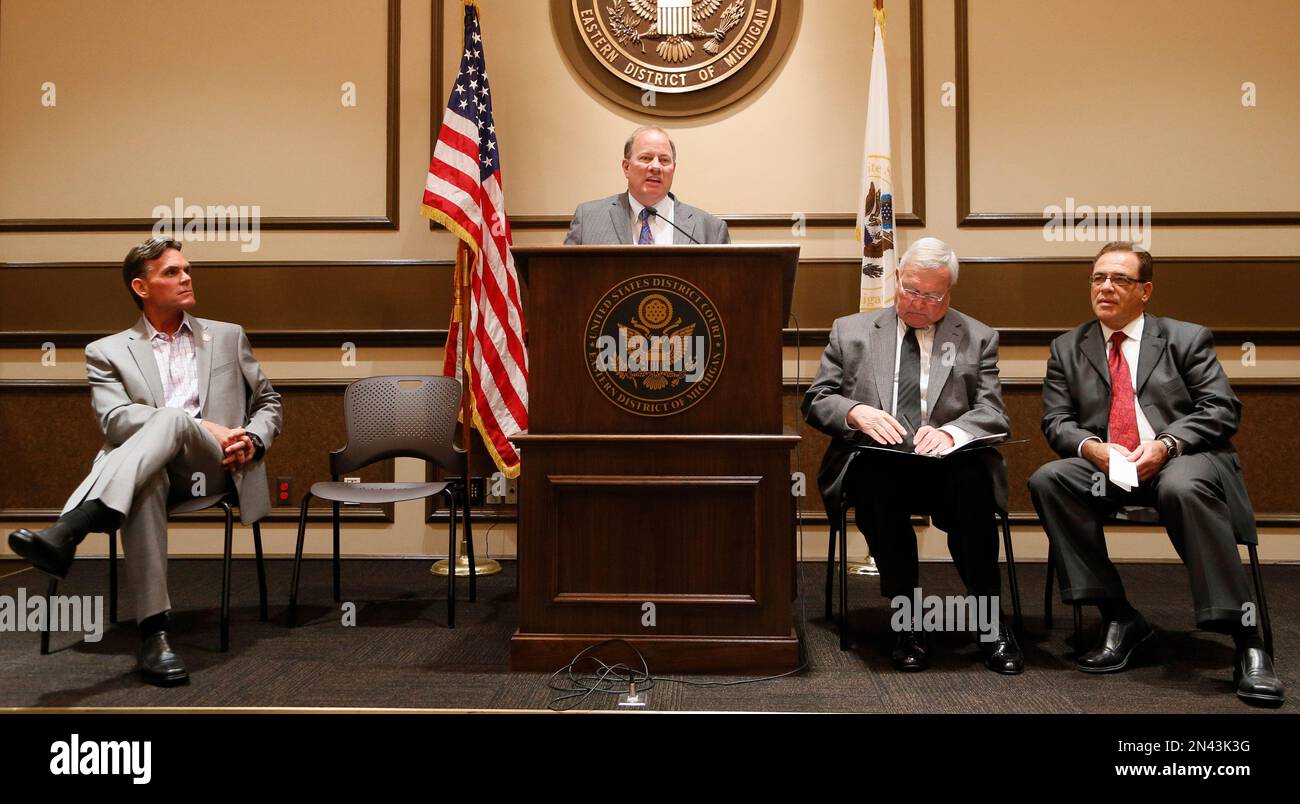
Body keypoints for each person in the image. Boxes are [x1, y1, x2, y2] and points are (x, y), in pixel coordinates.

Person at [7, 237, 282, 686]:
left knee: (171, 423)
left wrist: (251, 436)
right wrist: (183, 422)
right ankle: (155, 635)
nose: (186, 277)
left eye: (186, 269)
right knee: (145, 480)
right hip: (150, 470)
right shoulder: (107, 351)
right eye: (171, 272)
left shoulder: (227, 335)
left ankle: (72, 527)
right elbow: (115, 421)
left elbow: (269, 402)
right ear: (141, 286)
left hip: (213, 466)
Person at [1028, 241, 1282, 705]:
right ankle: (1119, 616)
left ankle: (1248, 639)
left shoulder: (1185, 338)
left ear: (1145, 291)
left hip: (1181, 459)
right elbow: (1056, 421)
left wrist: (1166, 445)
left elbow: (1221, 409)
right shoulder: (1068, 347)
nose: (1105, 287)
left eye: (1119, 279)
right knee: (1050, 479)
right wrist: (1091, 447)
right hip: (1112, 466)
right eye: (1098, 278)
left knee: (1181, 487)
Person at [803, 237, 1020, 674]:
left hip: (949, 465)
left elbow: (993, 413)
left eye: (931, 295)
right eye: (910, 289)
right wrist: (856, 412)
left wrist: (954, 432)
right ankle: (909, 619)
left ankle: (989, 621)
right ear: (898, 278)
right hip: (879, 463)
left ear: (949, 293)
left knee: (973, 486)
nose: (917, 302)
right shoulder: (852, 331)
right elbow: (816, 400)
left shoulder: (977, 337)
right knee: (877, 482)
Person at [563, 125, 730, 245]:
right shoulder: (589, 219)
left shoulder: (711, 229)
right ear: (626, 167)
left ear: (673, 169)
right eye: (646, 158)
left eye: (664, 160)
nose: (656, 167)